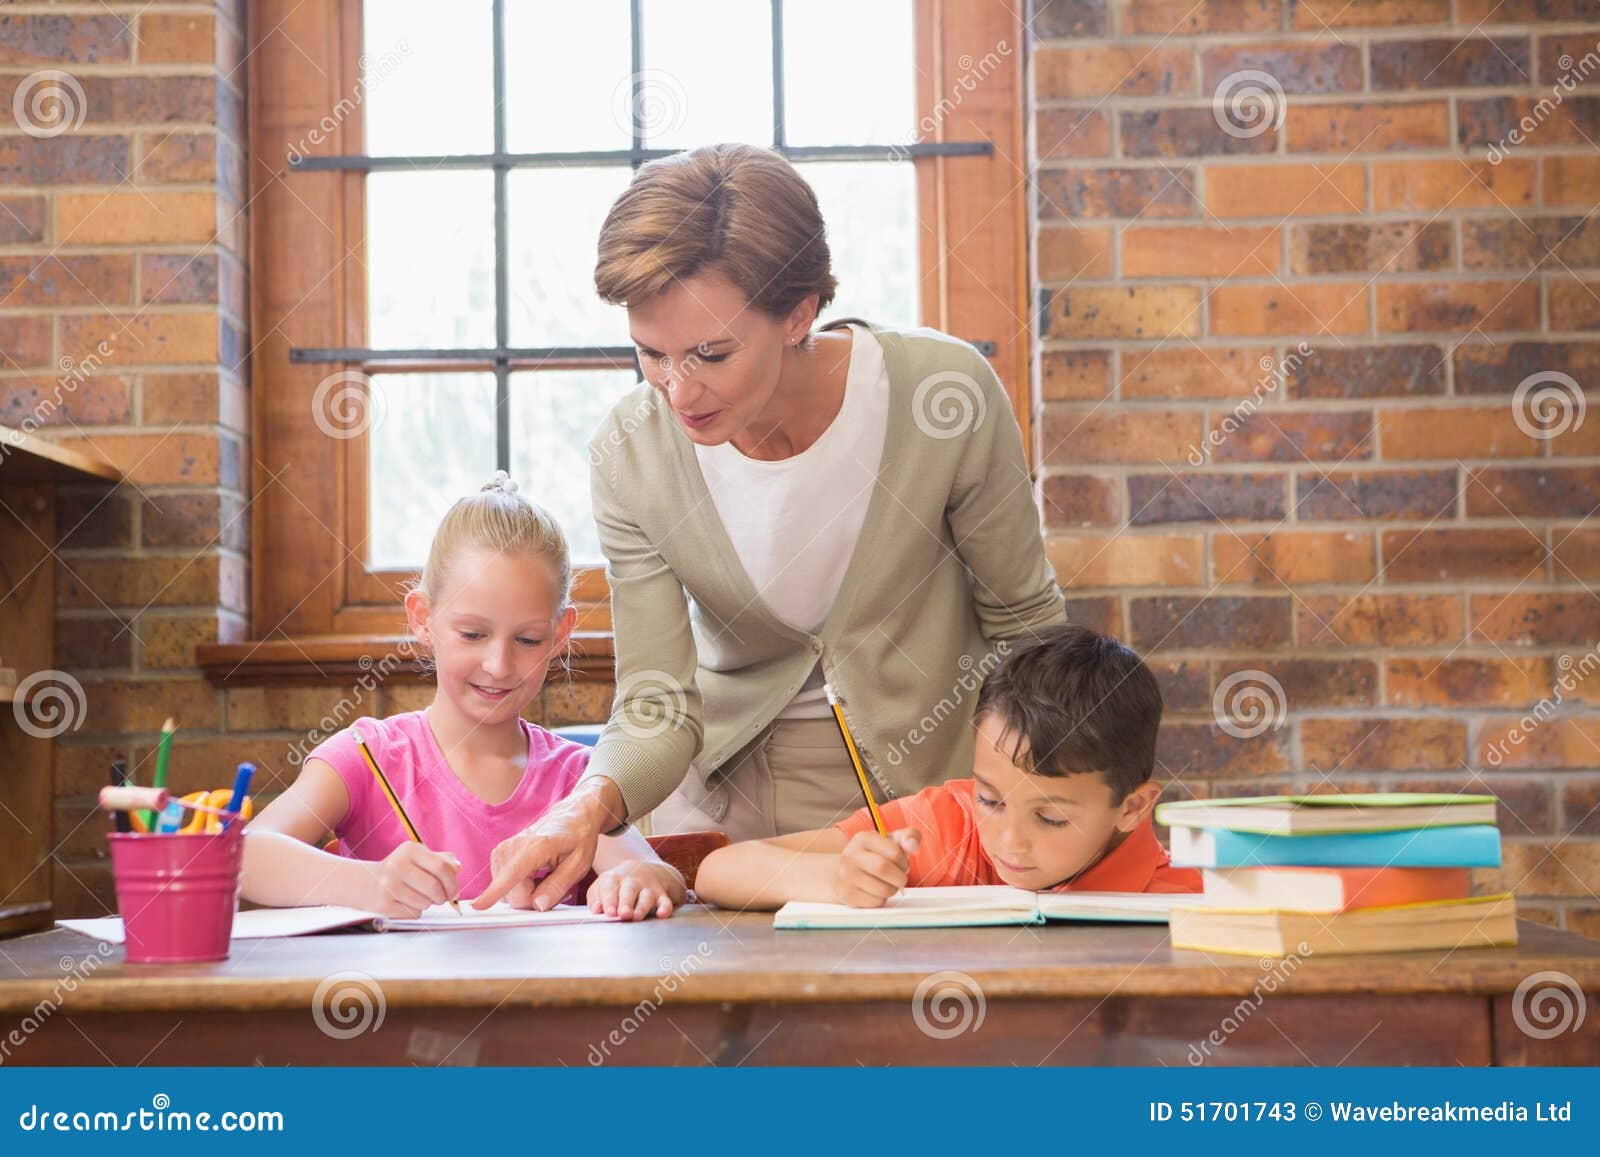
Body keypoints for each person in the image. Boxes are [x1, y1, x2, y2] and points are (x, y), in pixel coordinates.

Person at [241, 472, 685, 921]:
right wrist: (370, 884)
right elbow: (244, 858)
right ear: (422, 618)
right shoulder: (368, 756)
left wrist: (642, 881)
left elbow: (655, 873)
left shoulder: (576, 780)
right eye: (473, 634)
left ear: (560, 635)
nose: (498, 665)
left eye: (528, 640)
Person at [693, 624, 1203, 909]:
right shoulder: (947, 828)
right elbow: (719, 872)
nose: (1007, 842)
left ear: (1133, 808)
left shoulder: (1190, 897)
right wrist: (836, 880)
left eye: (1050, 817)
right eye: (991, 800)